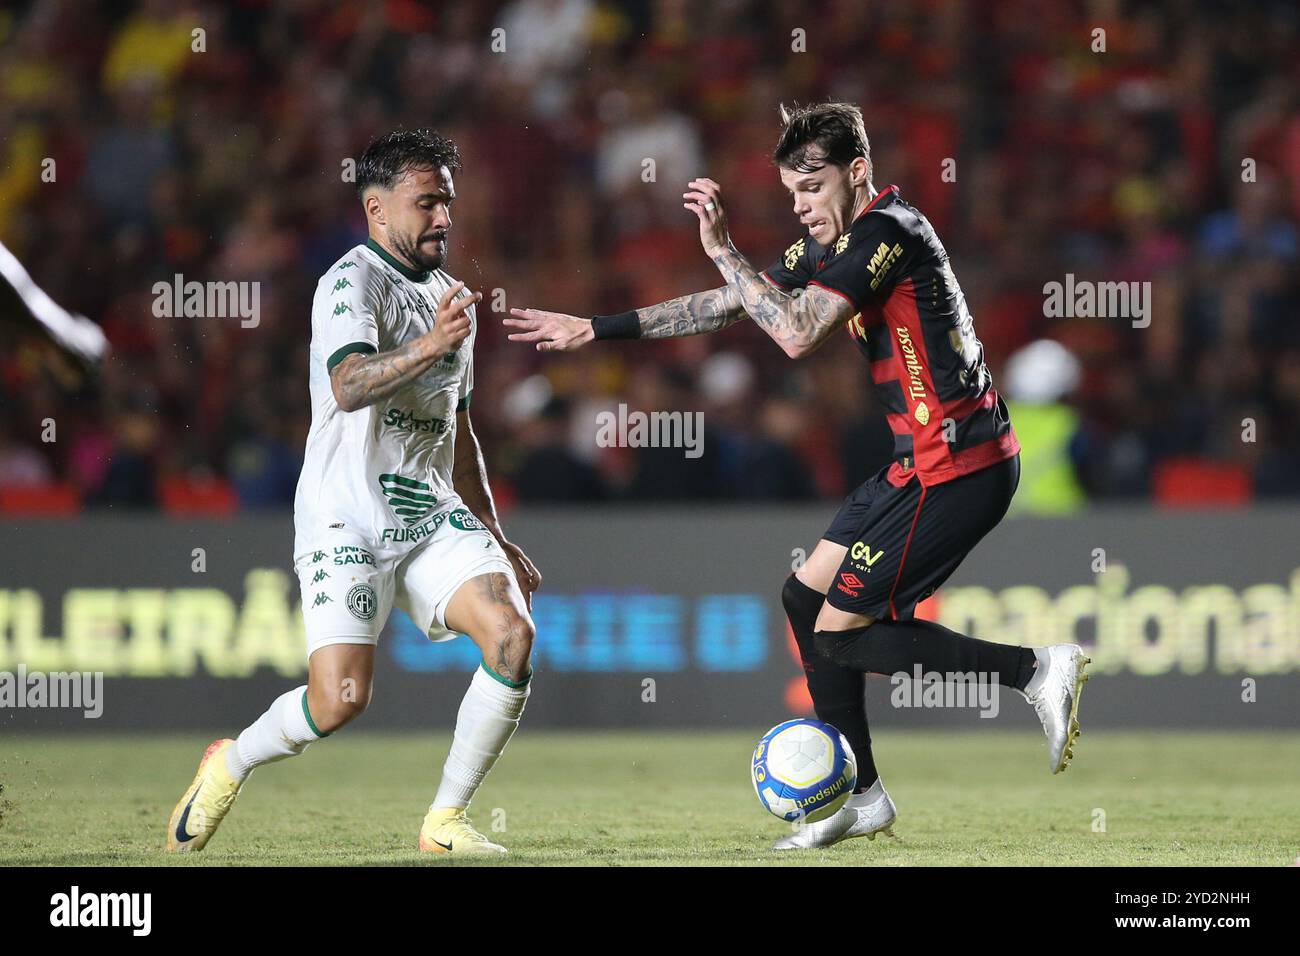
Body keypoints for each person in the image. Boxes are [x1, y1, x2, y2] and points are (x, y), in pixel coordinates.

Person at [504, 102, 1089, 850]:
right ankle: (863, 798)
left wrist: (724, 250)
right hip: (918, 463)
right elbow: (731, 307)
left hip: (962, 465)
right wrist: (598, 328)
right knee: (801, 595)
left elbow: (793, 331)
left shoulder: (887, 234)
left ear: (857, 172)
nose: (801, 207)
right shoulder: (839, 241)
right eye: (791, 193)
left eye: (812, 188)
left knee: (840, 635)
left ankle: (1037, 670)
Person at [167, 129, 541, 856]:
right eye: (426, 203)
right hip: (348, 518)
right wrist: (430, 345)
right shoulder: (349, 283)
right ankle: (232, 760)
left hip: (431, 510)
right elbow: (348, 384)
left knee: (513, 635)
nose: (443, 219)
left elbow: (460, 433)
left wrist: (495, 532)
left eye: (448, 204)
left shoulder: (449, 299)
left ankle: (444, 821)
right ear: (376, 209)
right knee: (339, 702)